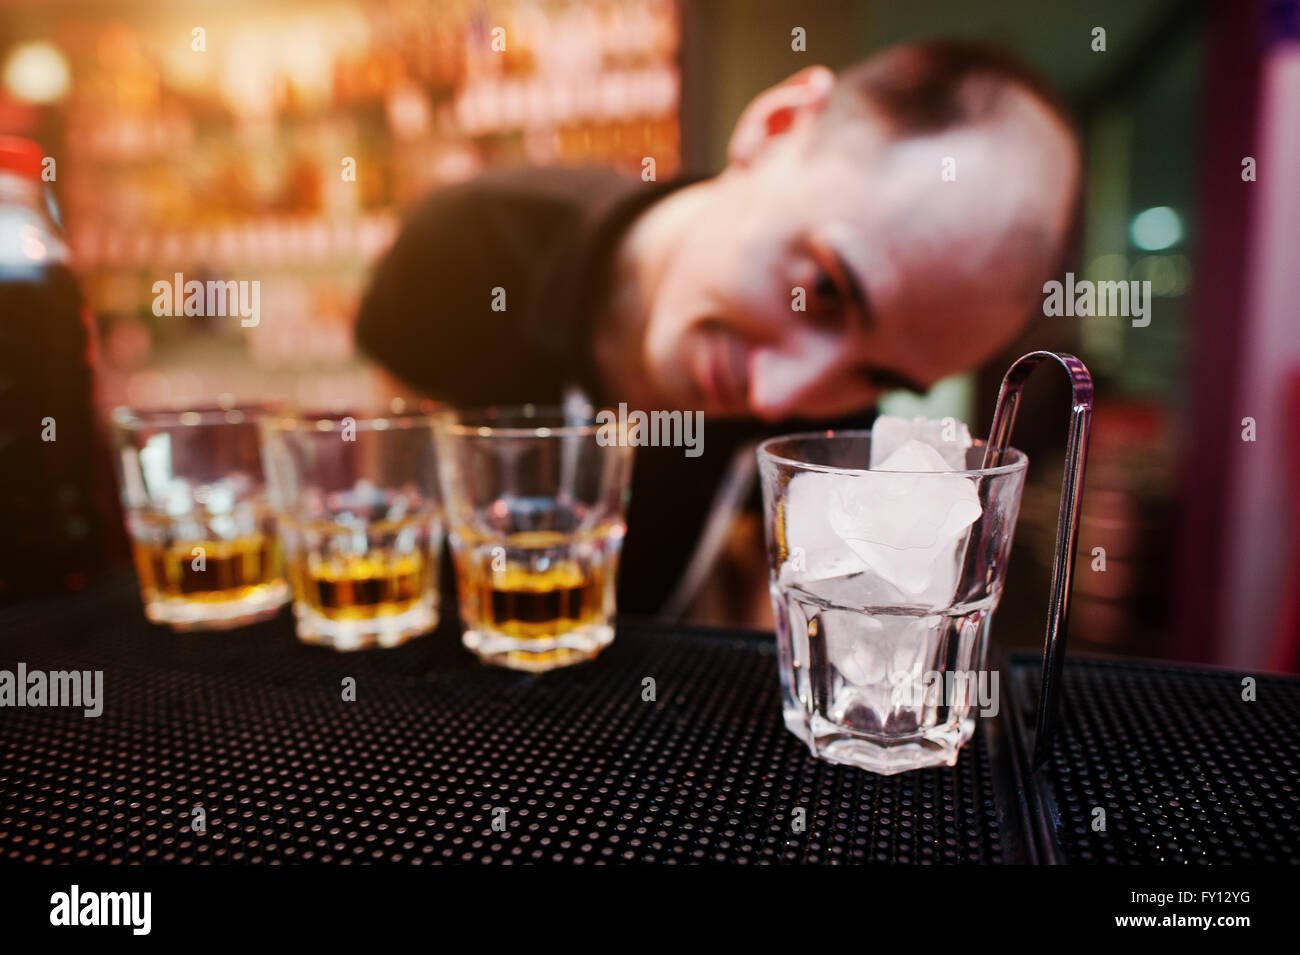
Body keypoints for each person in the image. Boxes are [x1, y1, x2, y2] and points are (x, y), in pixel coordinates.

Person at [355, 39, 1082, 622]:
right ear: (775, 129)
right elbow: (386, 511)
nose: (777, 395)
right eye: (826, 289)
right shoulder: (466, 251)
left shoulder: (830, 403)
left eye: (881, 377)